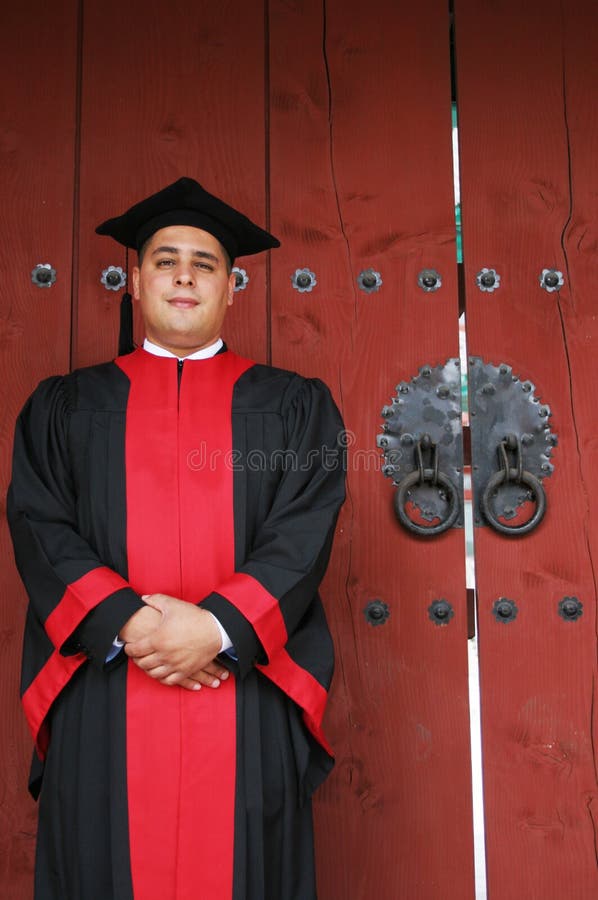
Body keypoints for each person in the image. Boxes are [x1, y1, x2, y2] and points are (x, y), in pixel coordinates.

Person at [8, 177, 346, 900]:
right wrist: (129, 621)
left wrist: (219, 626)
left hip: (242, 688)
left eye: (204, 262)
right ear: (134, 282)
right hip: (105, 690)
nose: (184, 275)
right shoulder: (66, 407)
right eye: (165, 260)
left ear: (233, 286)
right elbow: (38, 522)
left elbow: (305, 528)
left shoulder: (293, 406)